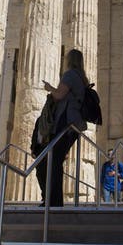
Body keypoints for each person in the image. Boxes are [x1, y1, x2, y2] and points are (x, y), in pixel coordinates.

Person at [42, 48, 88, 207]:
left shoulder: (70, 75)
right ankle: (54, 200)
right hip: (75, 124)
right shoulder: (82, 78)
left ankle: (53, 201)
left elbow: (59, 95)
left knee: (52, 160)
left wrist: (49, 88)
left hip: (66, 122)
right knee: (56, 159)